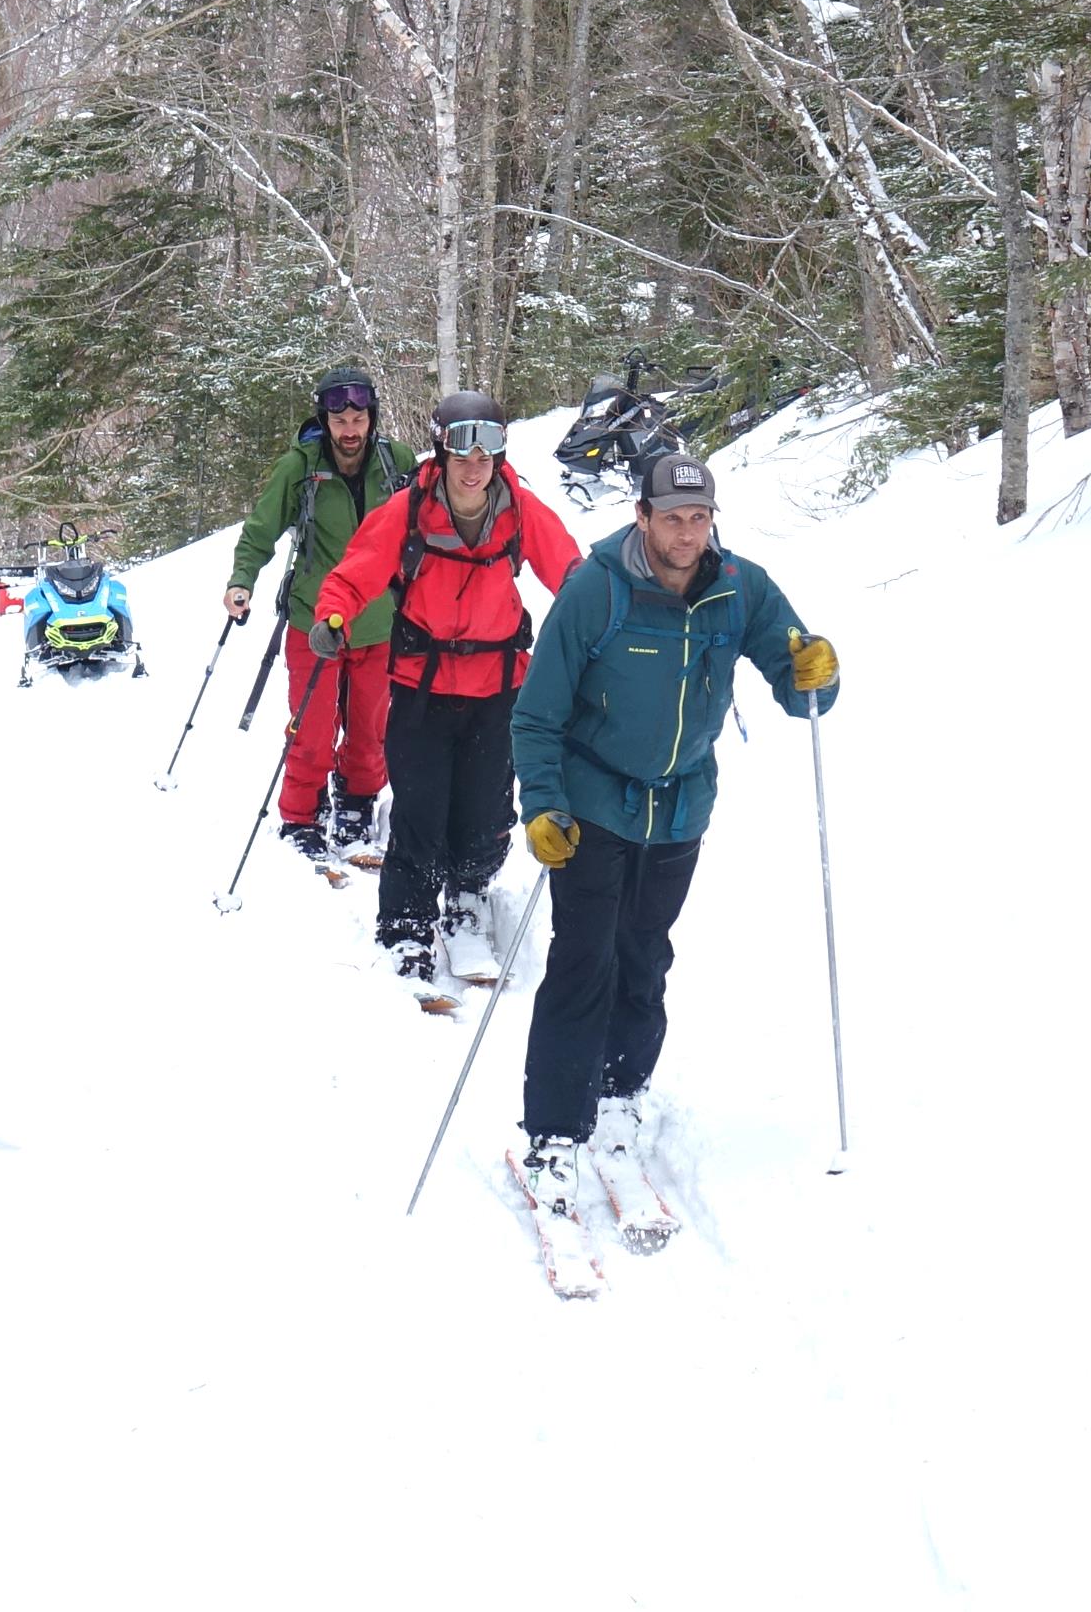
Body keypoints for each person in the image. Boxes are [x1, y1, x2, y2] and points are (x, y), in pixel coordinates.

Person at [505, 449, 837, 1215]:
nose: (687, 534)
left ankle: (619, 1091)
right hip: (590, 806)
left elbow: (797, 680)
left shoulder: (738, 587)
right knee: (583, 959)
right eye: (672, 518)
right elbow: (537, 711)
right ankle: (554, 1130)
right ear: (642, 517)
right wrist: (540, 804)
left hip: (682, 807)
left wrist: (817, 673)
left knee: (644, 954)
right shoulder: (596, 590)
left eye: (699, 518)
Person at [312, 389, 581, 1004]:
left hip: (500, 687)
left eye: (488, 445)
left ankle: (465, 904)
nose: (475, 460)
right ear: (441, 447)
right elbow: (354, 575)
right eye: (462, 445)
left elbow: (568, 568)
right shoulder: (408, 511)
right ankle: (406, 925)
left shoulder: (519, 509)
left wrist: (592, 622)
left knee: (487, 813)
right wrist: (333, 617)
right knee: (420, 811)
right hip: (421, 687)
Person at [223, 366, 416, 871]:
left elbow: (424, 529)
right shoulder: (300, 467)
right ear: (324, 419)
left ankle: (356, 803)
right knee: (310, 727)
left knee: (370, 727)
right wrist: (242, 580)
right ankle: (301, 815)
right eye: (339, 419)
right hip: (315, 621)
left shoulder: (395, 463)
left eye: (358, 418)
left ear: (371, 417)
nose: (350, 430)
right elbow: (261, 528)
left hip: (379, 620)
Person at [18, 533, 141, 682]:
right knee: (36, 599)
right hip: (58, 580)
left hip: (86, 577)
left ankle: (120, 639)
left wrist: (98, 536)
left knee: (116, 592)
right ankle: (40, 644)